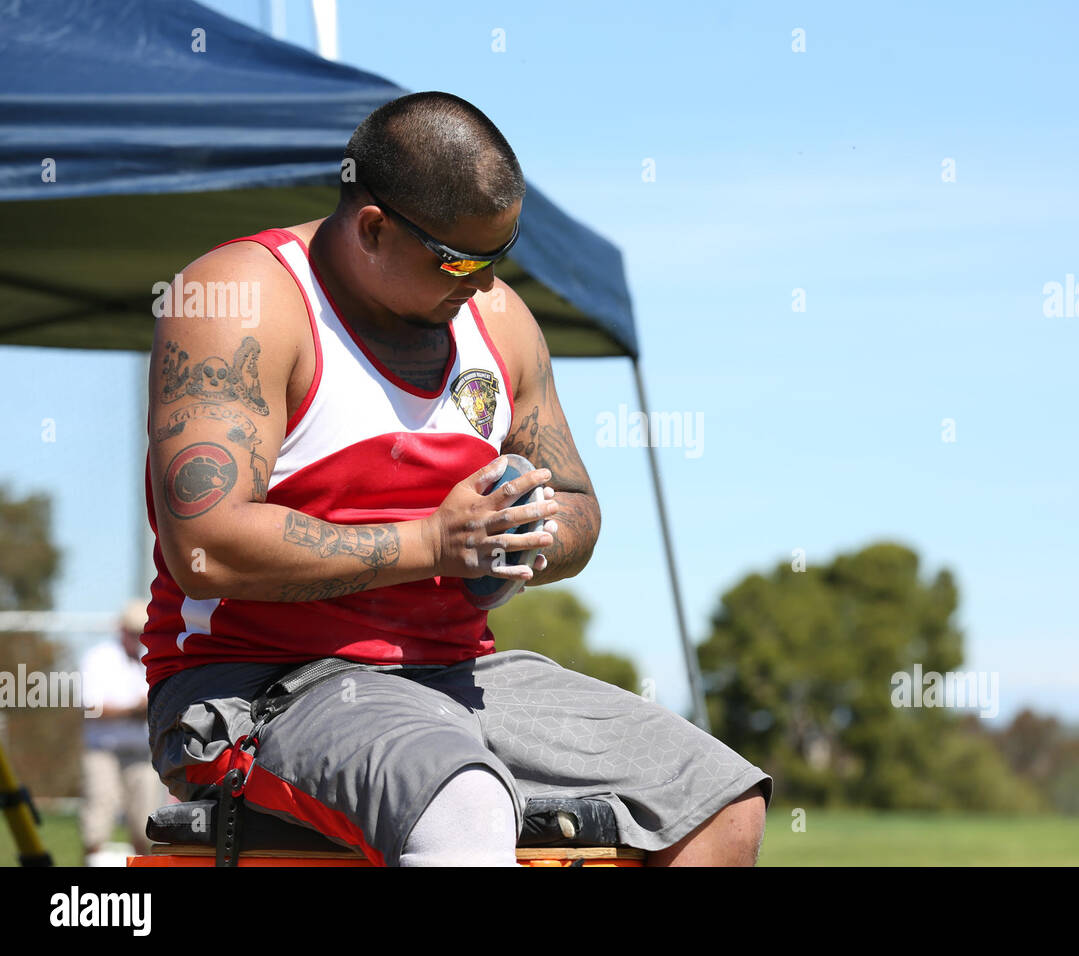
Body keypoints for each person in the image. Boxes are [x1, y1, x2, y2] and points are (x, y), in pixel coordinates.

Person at [141, 91, 771, 866]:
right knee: (464, 806)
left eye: (499, 258)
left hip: (459, 673)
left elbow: (577, 507)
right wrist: (433, 543)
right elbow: (207, 547)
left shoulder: (500, 322)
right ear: (372, 228)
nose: (483, 285)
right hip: (261, 685)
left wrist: (527, 537)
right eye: (462, 262)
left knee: (717, 803)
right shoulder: (244, 301)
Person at [79, 598, 168, 861]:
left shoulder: (152, 659)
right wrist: (133, 710)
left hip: (143, 754)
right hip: (102, 752)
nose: (139, 638)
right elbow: (91, 708)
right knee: (96, 825)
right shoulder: (99, 658)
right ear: (122, 630)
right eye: (134, 632)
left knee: (146, 827)